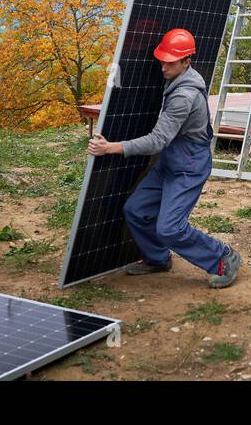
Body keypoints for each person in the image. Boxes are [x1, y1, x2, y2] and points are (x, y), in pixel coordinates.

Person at [87, 28, 242, 288]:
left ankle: (223, 257)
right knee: (135, 210)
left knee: (170, 228)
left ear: (186, 62)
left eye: (170, 62)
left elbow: (158, 140)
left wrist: (111, 148)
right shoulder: (179, 77)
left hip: (189, 166)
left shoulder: (184, 96)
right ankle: (158, 258)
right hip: (171, 161)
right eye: (162, 59)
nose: (163, 67)